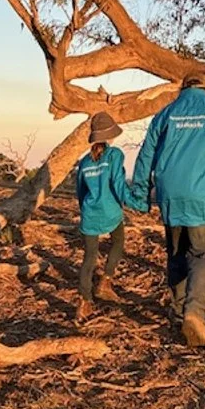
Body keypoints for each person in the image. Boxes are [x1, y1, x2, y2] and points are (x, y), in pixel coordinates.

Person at [129, 73, 205, 347]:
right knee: (204, 254)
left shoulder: (165, 114)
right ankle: (194, 314)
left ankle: (179, 308)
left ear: (183, 88)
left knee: (176, 252)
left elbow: (146, 154)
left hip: (170, 195)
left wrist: (140, 193)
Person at [75, 111, 129, 322]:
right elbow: (118, 182)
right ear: (109, 135)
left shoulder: (84, 162)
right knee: (118, 241)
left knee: (88, 259)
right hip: (111, 209)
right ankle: (106, 280)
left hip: (90, 212)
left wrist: (85, 209)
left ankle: (84, 302)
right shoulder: (114, 155)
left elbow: (80, 191)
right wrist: (129, 202)